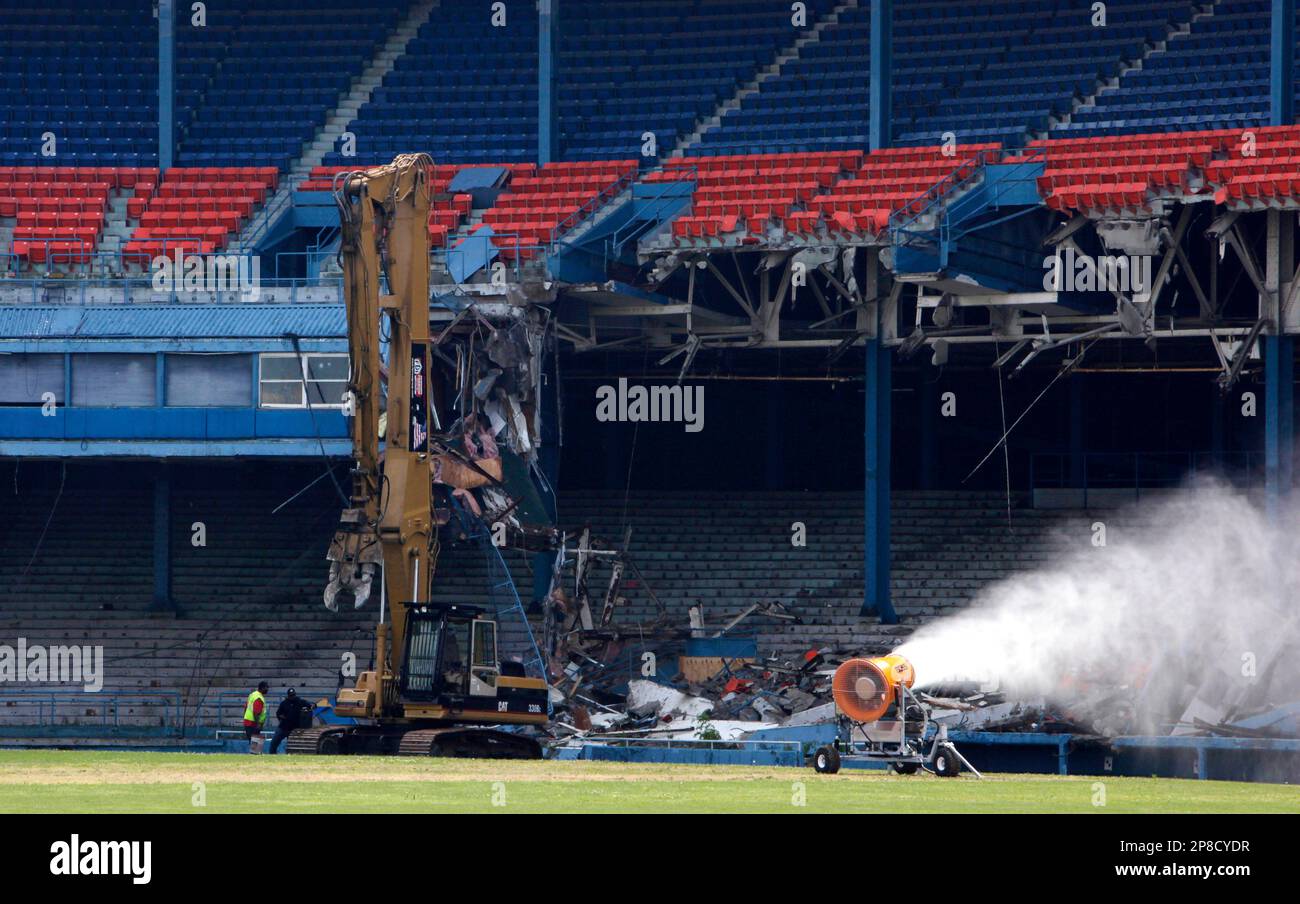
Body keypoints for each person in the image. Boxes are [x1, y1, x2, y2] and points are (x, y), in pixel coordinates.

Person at [268, 688, 312, 754]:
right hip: (283, 727)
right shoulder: (284, 703)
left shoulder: (300, 701)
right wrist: (281, 718)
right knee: (274, 743)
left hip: (294, 729)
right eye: (291, 695)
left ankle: (291, 756)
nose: (292, 697)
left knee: (292, 746)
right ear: (288, 696)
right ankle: (272, 755)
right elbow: (278, 713)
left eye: (293, 695)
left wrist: (311, 706)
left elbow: (310, 705)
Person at [243, 681, 269, 749]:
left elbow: (245, 707)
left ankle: (254, 755)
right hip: (253, 723)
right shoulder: (259, 698)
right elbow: (256, 713)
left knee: (253, 742)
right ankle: (255, 755)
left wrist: (245, 718)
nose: (267, 689)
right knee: (255, 743)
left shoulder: (252, 694)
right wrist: (258, 724)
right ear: (262, 688)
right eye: (266, 687)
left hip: (248, 721)